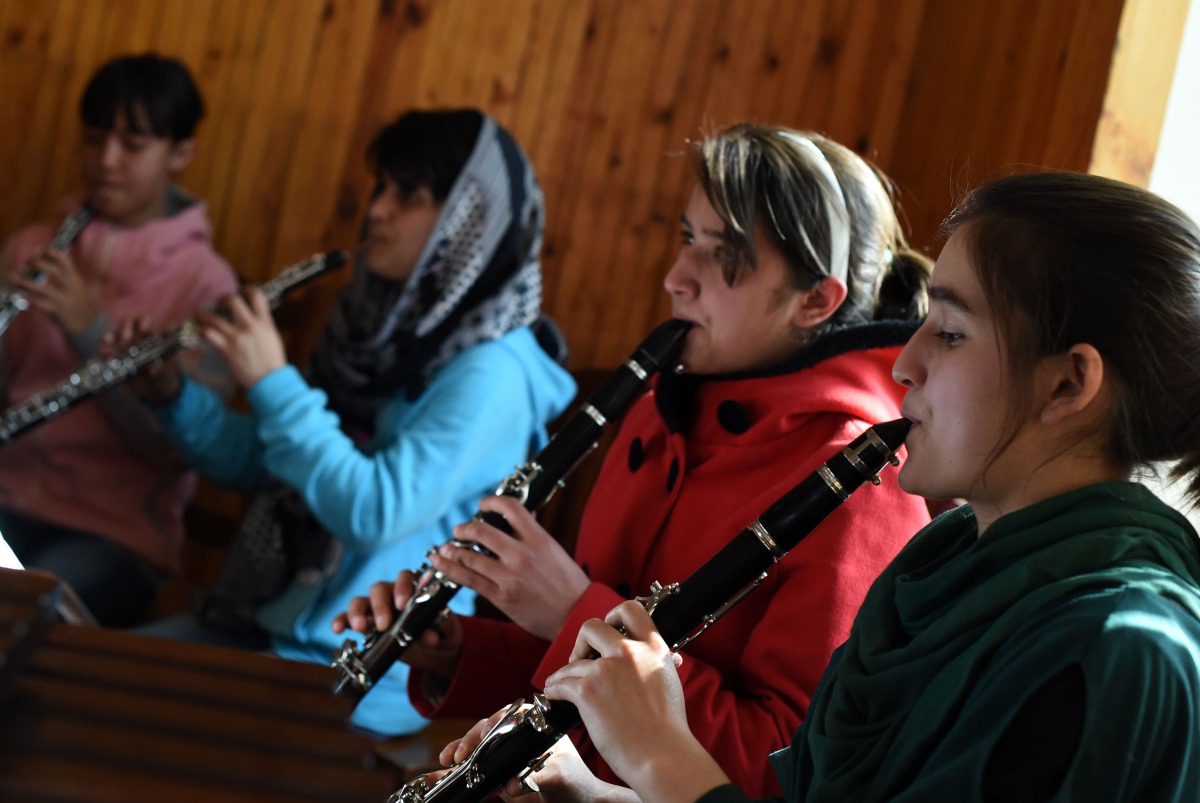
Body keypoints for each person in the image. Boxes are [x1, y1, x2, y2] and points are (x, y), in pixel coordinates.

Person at [501, 170, 1200, 802]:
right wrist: (589, 794)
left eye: (951, 333)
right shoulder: (939, 565)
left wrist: (658, 750)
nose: (904, 364)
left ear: (1068, 382)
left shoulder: (1115, 651)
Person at [335, 124, 934, 794]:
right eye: (687, 237)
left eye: (726, 253)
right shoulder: (660, 408)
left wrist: (574, 611)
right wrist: (457, 651)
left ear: (815, 299)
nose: (676, 277)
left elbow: (785, 766)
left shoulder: (865, 487)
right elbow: (572, 680)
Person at [123, 107, 576, 738]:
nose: (378, 210)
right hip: (271, 628)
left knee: (115, 715)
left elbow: (374, 511)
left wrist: (272, 382)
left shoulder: (493, 372)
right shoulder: (375, 329)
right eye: (381, 187)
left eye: (406, 195)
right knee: (83, 671)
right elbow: (261, 465)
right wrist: (173, 393)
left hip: (361, 671)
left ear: (467, 220)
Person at [0, 53, 238, 627]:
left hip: (114, 536)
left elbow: (171, 450)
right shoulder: (34, 246)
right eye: (94, 138)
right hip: (9, 503)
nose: (105, 161)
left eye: (133, 146)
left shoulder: (208, 285)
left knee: (16, 622)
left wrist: (87, 328)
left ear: (179, 154)